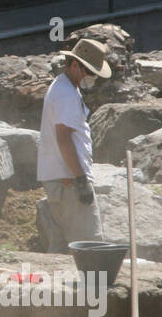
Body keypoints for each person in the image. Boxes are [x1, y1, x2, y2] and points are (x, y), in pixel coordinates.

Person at [36, 38, 111, 252]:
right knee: (90, 242)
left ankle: (58, 284)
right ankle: (93, 285)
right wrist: (80, 179)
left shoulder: (66, 88)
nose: (92, 78)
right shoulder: (65, 94)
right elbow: (64, 138)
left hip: (61, 179)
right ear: (75, 65)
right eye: (90, 72)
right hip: (68, 181)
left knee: (61, 243)